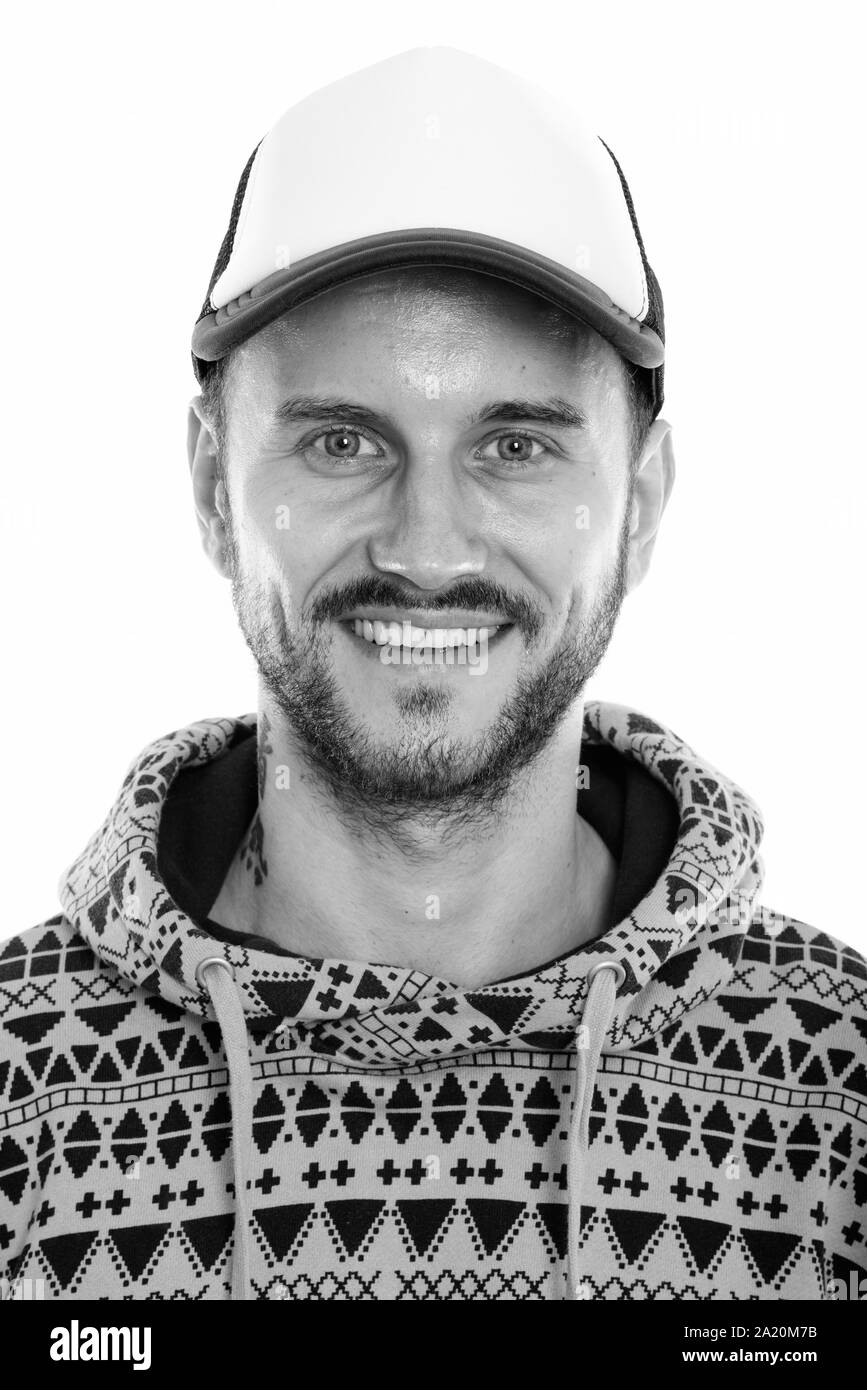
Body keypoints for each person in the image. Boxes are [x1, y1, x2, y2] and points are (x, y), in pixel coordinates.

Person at [2, 46, 864, 1303]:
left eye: (517, 443)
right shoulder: (19, 1097)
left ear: (642, 502)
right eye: (342, 440)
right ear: (210, 485)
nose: (427, 548)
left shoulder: (837, 1100)